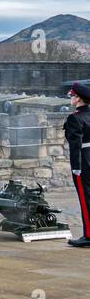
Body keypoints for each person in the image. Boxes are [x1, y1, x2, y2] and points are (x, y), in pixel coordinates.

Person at [65, 81, 90, 248]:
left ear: (79, 99)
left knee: (85, 200)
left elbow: (75, 146)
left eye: (72, 95)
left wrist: (76, 167)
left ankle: (88, 235)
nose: (71, 98)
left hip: (84, 163)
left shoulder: (75, 118)